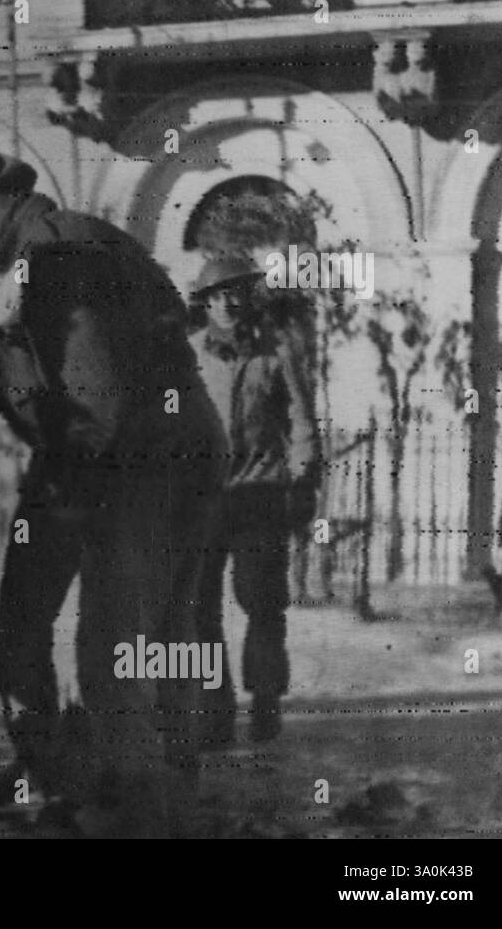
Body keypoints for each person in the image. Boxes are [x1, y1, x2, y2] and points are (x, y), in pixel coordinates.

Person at [0, 151, 228, 834]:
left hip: (132, 459)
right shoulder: (51, 251)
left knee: (116, 641)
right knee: (43, 617)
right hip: (124, 449)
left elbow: (95, 404)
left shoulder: (56, 255)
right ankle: (59, 766)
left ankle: (140, 799)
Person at [189, 254, 321, 743]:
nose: (228, 303)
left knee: (263, 602)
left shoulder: (276, 354)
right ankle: (212, 710)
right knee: (197, 607)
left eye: (237, 291)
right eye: (217, 295)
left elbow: (303, 423)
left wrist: (304, 480)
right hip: (202, 498)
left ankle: (265, 702)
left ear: (250, 296)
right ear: (204, 303)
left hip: (260, 494)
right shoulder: (186, 357)